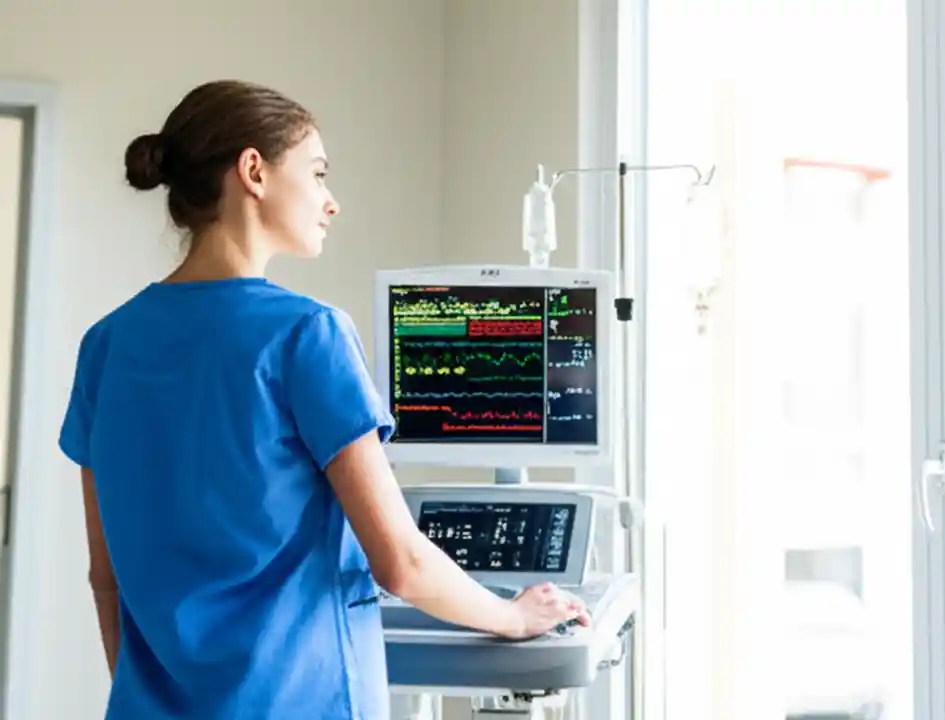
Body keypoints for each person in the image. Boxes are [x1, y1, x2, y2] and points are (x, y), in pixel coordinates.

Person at [58, 79, 590, 720]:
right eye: (316, 173)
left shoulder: (107, 343)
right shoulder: (307, 334)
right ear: (253, 171)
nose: (331, 201)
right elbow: (402, 564)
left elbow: (105, 578)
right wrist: (512, 615)